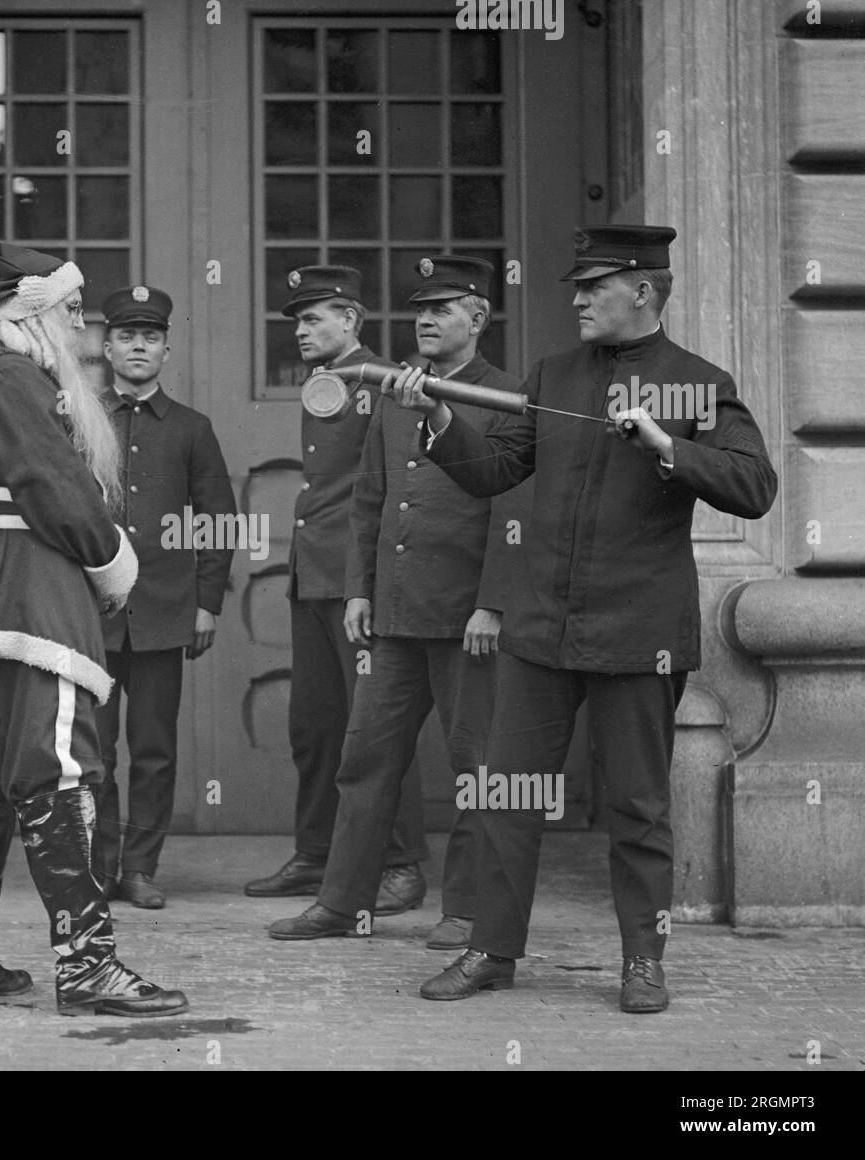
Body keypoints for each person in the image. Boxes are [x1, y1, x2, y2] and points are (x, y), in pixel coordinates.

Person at [389, 225, 777, 1012]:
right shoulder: (554, 374)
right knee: (509, 796)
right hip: (541, 632)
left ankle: (643, 962)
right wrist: (435, 418)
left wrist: (669, 443)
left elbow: (754, 487)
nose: (575, 298)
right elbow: (494, 469)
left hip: (638, 638)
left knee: (637, 807)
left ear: (642, 290)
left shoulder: (699, 383)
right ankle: (492, 951)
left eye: (592, 287)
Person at [0, 242, 187, 1016]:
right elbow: (56, 488)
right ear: (32, 312)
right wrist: (113, 562)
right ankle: (88, 967)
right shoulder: (12, 375)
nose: (85, 322)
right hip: (35, 601)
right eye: (72, 308)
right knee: (63, 773)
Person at [269, 256, 525, 945]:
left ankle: (468, 909)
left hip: (466, 617)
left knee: (476, 768)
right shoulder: (392, 392)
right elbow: (371, 501)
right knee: (365, 760)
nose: (427, 319)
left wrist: (493, 604)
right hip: (394, 616)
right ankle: (341, 902)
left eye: (444, 308)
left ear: (478, 317)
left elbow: (514, 512)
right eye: (421, 309)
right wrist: (359, 590)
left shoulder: (506, 394)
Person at [244, 266, 427, 912]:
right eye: (297, 320)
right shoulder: (329, 384)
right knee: (316, 726)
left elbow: (387, 493)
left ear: (351, 319)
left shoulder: (384, 384)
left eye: (314, 318)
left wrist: (369, 585)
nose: (300, 330)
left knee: (374, 729)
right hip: (314, 575)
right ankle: (317, 853)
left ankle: (400, 863)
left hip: (358, 583)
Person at [93, 285, 237, 909]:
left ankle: (139, 869)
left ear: (166, 350)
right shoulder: (79, 419)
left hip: (163, 612)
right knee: (92, 750)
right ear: (107, 346)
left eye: (150, 337)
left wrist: (206, 603)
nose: (138, 346)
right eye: (127, 336)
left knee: (153, 749)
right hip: (92, 615)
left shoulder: (191, 429)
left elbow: (217, 521)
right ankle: (98, 868)